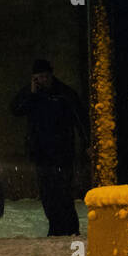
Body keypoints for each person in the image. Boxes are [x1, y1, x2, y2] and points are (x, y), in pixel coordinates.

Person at [11, 59, 89, 236]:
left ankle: (70, 228)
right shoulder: (32, 95)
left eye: (45, 77)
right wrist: (31, 93)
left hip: (62, 151)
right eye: (38, 78)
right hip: (41, 152)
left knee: (63, 192)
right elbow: (15, 109)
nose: (42, 81)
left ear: (51, 75)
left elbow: (80, 119)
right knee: (47, 194)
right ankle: (55, 227)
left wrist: (87, 143)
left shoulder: (64, 94)